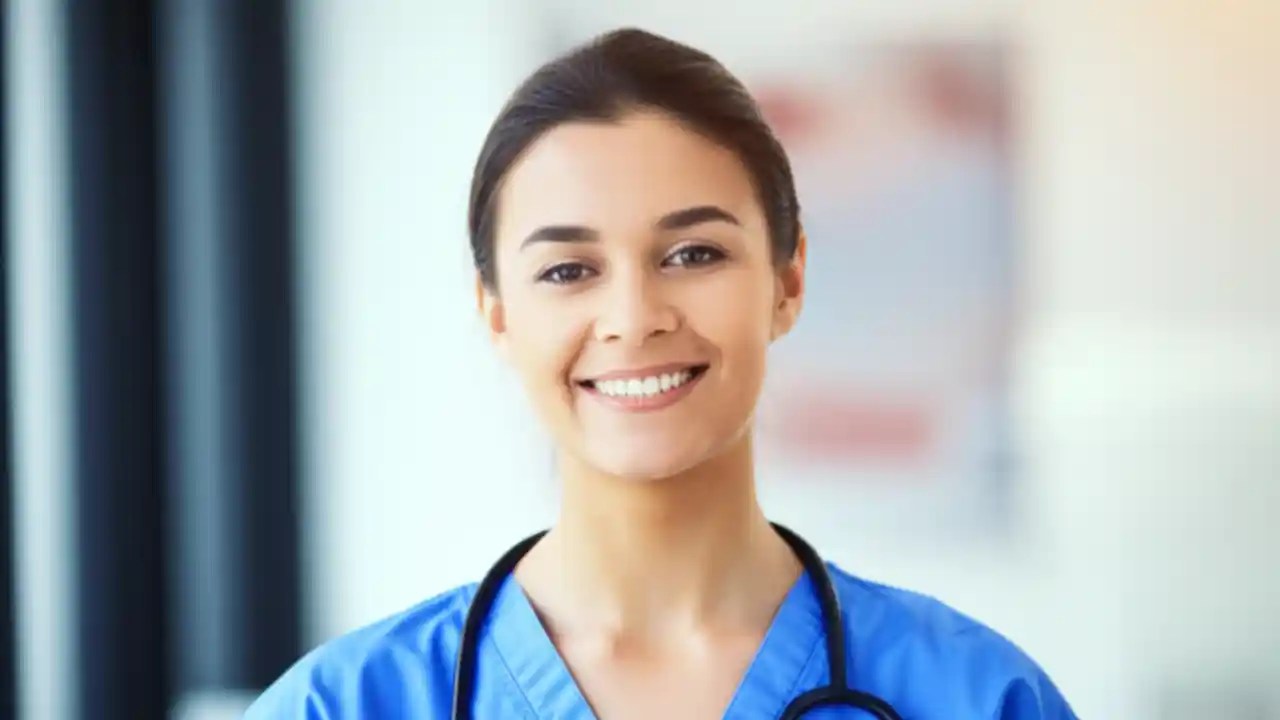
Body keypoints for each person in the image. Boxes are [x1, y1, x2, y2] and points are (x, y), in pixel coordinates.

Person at [246, 28, 1076, 719]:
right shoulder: (343, 705)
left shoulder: (976, 696)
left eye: (693, 254)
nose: (636, 315)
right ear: (497, 313)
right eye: (569, 270)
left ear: (788, 282)